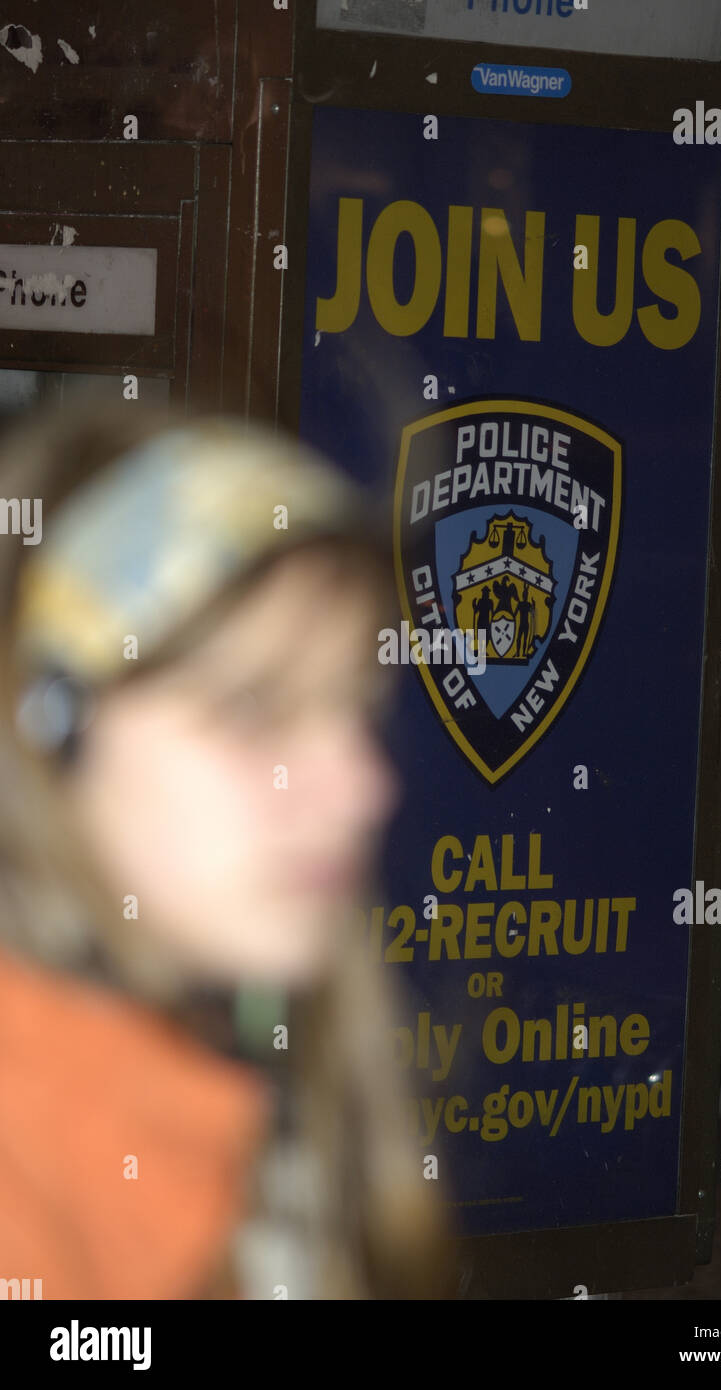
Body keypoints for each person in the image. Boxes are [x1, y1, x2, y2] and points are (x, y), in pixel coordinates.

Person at [0, 401, 451, 1300]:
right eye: (256, 711)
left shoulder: (246, 1052)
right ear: (48, 729)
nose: (364, 787)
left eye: (353, 708)